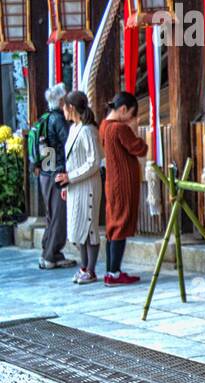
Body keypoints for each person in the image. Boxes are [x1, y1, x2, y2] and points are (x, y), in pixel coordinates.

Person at [99, 91, 149, 286]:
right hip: (123, 183)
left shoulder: (104, 126)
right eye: (131, 114)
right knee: (120, 224)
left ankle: (111, 271)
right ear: (123, 109)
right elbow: (139, 148)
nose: (132, 119)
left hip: (112, 182)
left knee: (113, 225)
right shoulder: (120, 129)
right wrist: (135, 130)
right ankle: (114, 273)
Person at [56, 90, 103, 285]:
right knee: (76, 227)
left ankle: (90, 269)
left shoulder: (88, 130)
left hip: (87, 184)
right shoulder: (75, 128)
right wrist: (67, 183)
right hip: (75, 184)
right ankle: (84, 266)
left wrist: (71, 177)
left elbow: (94, 161)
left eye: (65, 108)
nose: (63, 112)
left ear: (71, 108)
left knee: (88, 226)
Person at [34, 83, 73, 270]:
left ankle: (46, 251)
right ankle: (52, 255)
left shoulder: (43, 118)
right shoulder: (58, 119)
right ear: (60, 101)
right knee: (59, 215)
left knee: (51, 214)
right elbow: (68, 144)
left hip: (44, 173)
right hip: (57, 173)